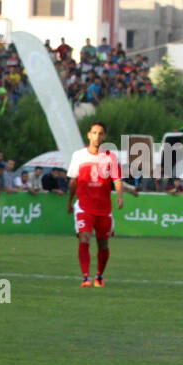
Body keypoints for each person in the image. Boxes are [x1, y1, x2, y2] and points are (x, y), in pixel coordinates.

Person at [67, 122, 123, 287]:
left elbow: (117, 180)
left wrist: (120, 196)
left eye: (100, 133)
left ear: (104, 137)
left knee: (103, 243)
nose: (97, 136)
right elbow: (73, 181)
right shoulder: (78, 155)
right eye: (94, 132)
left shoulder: (110, 157)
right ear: (89, 135)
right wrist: (69, 201)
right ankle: (86, 277)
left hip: (104, 209)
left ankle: (99, 276)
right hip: (84, 206)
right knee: (84, 237)